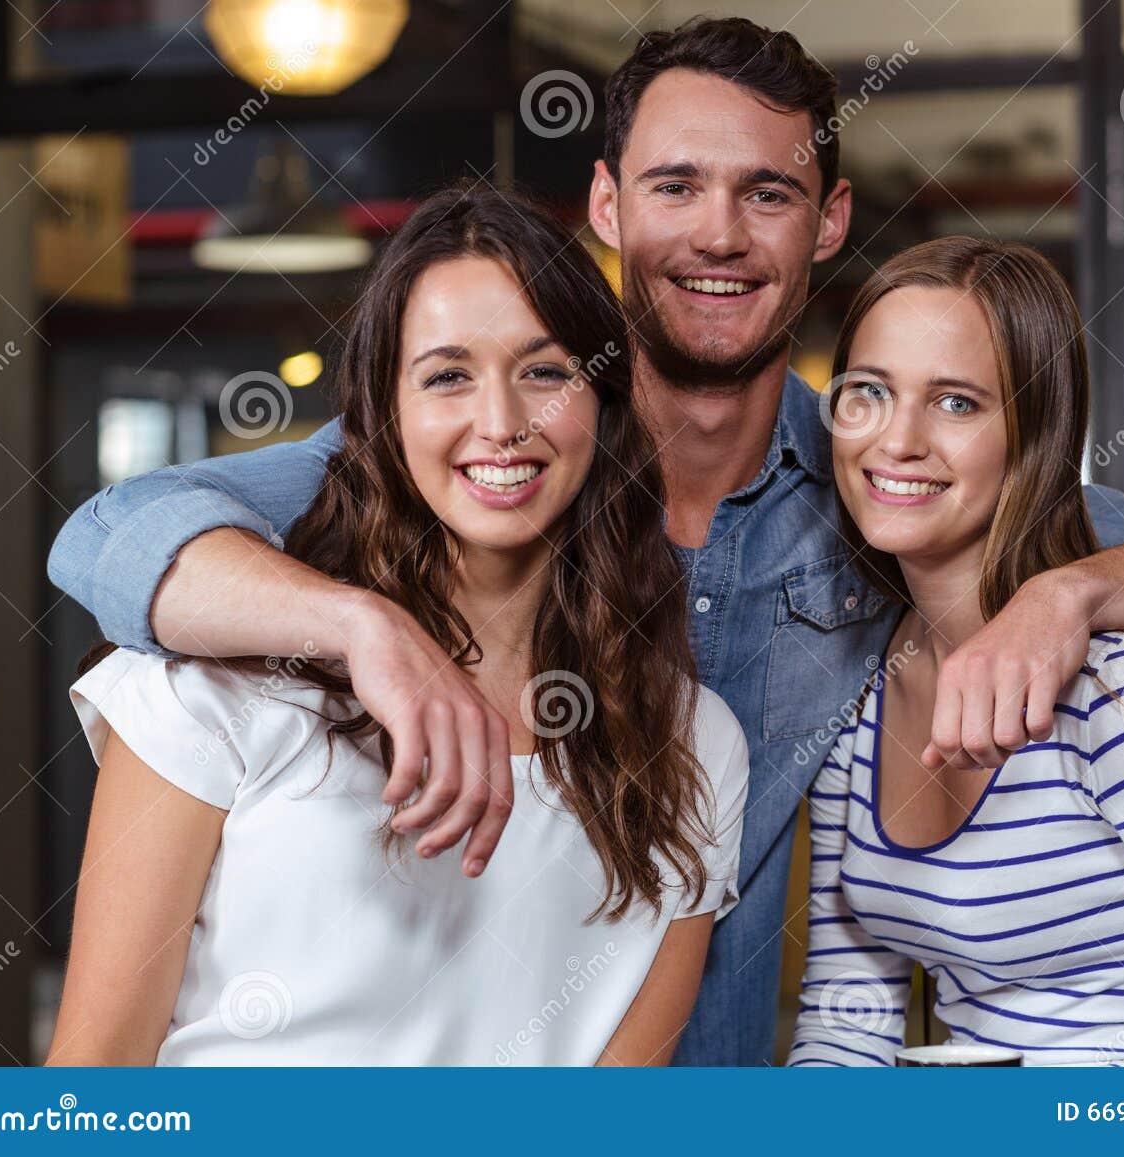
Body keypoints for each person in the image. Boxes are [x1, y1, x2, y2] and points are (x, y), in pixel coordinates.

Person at [47, 18, 1124, 1066]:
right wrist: (359, 623)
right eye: (673, 186)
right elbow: (113, 531)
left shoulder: (887, 488)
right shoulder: (493, 451)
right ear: (606, 202)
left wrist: (1072, 597)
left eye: (765, 192)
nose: (717, 233)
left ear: (826, 222)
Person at [45, 185, 748, 1066]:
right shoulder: (210, 687)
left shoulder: (690, 741)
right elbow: (89, 1083)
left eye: (544, 370)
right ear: (382, 413)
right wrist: (367, 627)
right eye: (448, 375)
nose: (500, 423)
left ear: (603, 401)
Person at [788, 237, 1124, 1067]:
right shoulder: (861, 688)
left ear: (1035, 435)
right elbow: (845, 1027)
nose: (896, 441)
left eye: (956, 403)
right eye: (869, 392)